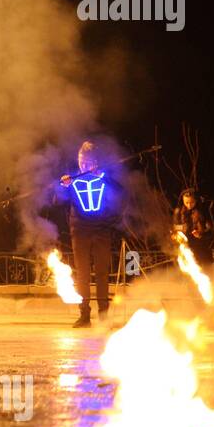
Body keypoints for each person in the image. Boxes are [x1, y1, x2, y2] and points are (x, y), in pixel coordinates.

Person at [59, 140, 123, 328]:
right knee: (83, 274)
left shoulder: (104, 177)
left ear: (95, 162)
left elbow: (120, 193)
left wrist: (104, 177)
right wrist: (62, 186)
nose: (84, 165)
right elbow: (57, 201)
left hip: (101, 229)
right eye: (81, 161)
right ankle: (84, 315)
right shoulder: (72, 180)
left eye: (88, 162)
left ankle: (104, 314)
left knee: (102, 272)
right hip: (79, 230)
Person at [172, 187, 214, 267]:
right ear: (183, 201)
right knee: (187, 271)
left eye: (192, 202)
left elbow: (211, 230)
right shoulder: (178, 212)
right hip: (186, 248)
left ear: (196, 200)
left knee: (206, 270)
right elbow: (173, 228)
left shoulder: (203, 212)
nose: (189, 205)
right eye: (186, 202)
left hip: (202, 248)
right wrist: (181, 228)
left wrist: (201, 234)